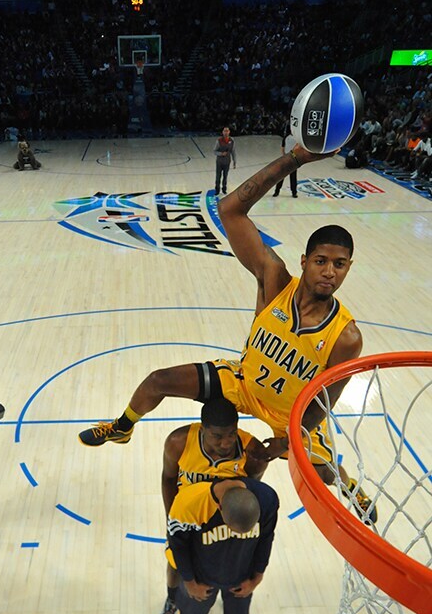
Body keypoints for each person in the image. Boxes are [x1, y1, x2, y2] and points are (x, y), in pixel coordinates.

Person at [79, 142, 376, 521]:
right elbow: (230, 209)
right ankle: (122, 427)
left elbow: (321, 406)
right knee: (157, 381)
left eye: (340, 264)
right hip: (243, 381)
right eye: (321, 261)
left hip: (292, 414)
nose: (330, 272)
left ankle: (349, 483)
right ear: (304, 261)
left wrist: (278, 447)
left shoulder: (347, 337)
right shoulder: (273, 280)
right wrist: (295, 159)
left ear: (349, 267)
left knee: (322, 471)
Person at [157, 398, 267, 614]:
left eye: (231, 434)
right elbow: (168, 478)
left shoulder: (253, 453)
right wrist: (171, 519)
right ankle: (171, 601)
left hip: (223, 523)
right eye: (217, 436)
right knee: (176, 564)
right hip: (188, 517)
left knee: (229, 566)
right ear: (202, 428)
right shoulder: (179, 442)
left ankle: (231, 612)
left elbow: (248, 494)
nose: (226, 442)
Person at [167, 476, 279, 614]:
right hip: (200, 578)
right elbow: (178, 546)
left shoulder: (267, 499)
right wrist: (190, 583)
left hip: (241, 574)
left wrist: (257, 576)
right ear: (219, 508)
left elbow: (266, 537)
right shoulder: (188, 504)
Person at [273, 124, 298, 197]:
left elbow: (282, 148)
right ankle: (279, 191)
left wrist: (284, 155)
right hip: (291, 158)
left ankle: (292, 192)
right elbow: (283, 147)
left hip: (290, 158)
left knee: (291, 177)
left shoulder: (290, 138)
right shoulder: (292, 138)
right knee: (283, 176)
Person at [214, 126, 235, 195]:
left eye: (227, 131)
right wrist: (221, 153)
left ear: (229, 132)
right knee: (218, 176)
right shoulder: (219, 141)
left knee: (225, 176)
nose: (226, 132)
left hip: (227, 162)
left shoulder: (232, 140)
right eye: (224, 131)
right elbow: (214, 151)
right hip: (219, 162)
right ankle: (217, 190)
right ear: (222, 132)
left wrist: (234, 161)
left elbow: (233, 151)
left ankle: (224, 189)